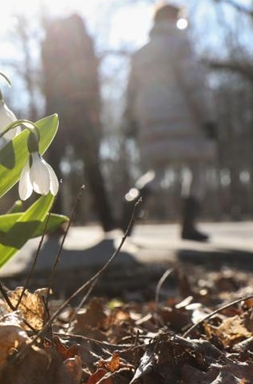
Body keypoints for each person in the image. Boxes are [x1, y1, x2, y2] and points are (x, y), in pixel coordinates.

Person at [123, 2, 217, 242]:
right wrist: (207, 117)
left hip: (150, 120)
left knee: (156, 171)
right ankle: (188, 226)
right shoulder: (180, 46)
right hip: (185, 119)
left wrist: (130, 120)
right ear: (175, 19)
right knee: (196, 169)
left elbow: (131, 91)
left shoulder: (141, 52)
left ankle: (131, 207)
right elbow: (193, 84)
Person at [41, 14, 118, 232]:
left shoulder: (51, 42)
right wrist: (94, 110)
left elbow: (49, 81)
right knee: (91, 166)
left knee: (56, 167)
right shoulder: (83, 42)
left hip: (61, 110)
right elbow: (92, 80)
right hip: (80, 111)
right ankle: (107, 221)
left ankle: (53, 223)